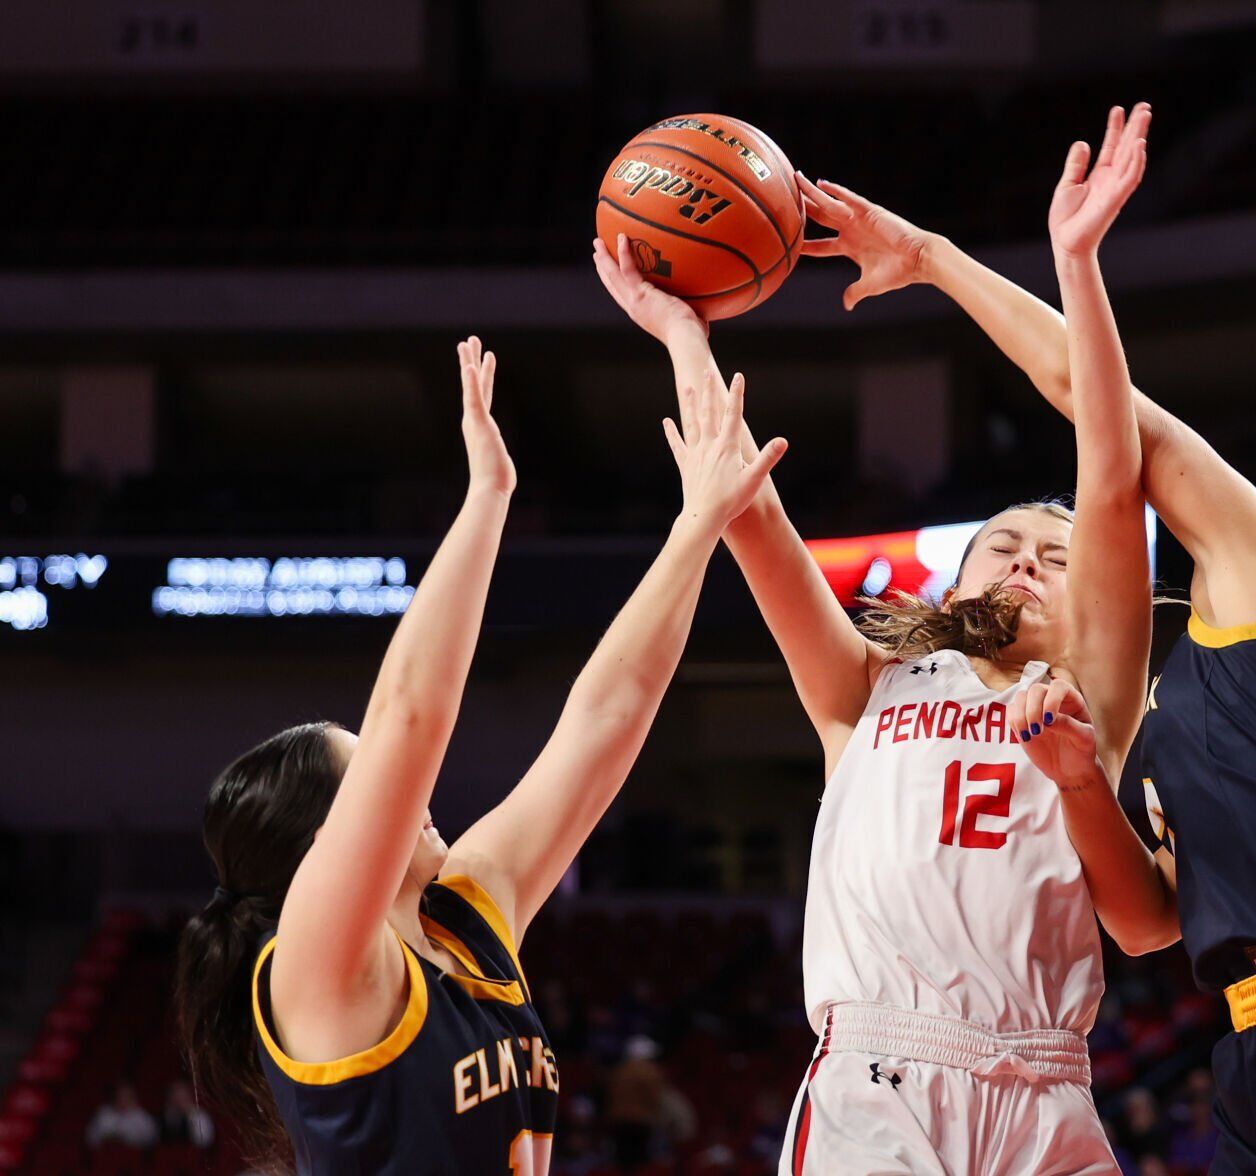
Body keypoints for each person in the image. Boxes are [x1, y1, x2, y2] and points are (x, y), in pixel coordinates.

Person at [797, 103, 1256, 1170]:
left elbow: (1107, 422)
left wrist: (946, 260)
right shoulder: (1228, 680)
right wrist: (1079, 785)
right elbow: (1150, 921)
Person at [594, 103, 1161, 1175]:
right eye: (1001, 546)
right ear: (954, 580)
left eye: (1054, 554)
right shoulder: (867, 686)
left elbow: (1113, 462)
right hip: (879, 1081)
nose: (1025, 561)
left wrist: (1069, 267)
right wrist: (683, 337)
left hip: (1048, 1087)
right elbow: (747, 512)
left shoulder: (1091, 687)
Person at [173, 337, 786, 1173]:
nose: (413, 792)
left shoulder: (466, 920)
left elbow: (607, 714)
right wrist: (486, 500)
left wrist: (696, 528)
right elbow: (408, 717)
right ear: (325, 845)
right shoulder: (311, 966)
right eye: (368, 775)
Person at [85, 1081, 158, 1151]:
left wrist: (127, 1139)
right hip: (106, 1155)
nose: (122, 1099)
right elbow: (90, 1138)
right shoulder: (103, 1113)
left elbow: (151, 1139)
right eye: (120, 1095)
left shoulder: (141, 1116)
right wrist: (106, 1139)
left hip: (132, 1156)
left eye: (126, 1096)